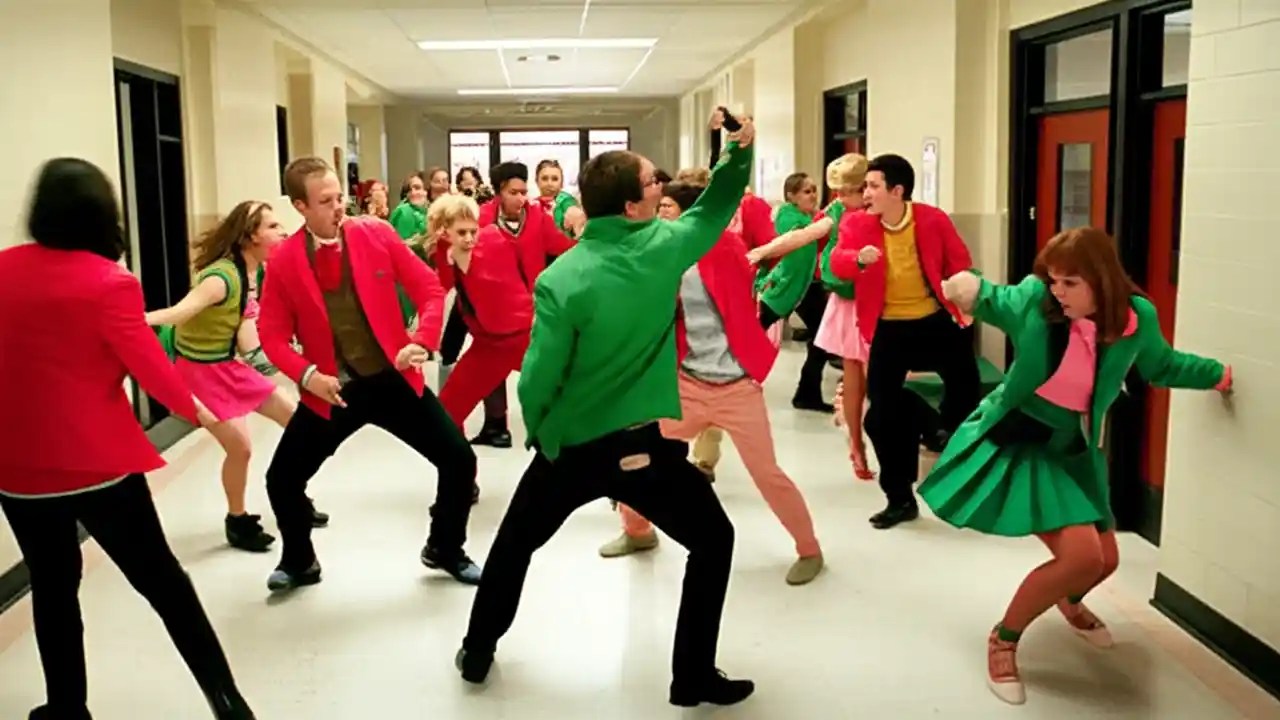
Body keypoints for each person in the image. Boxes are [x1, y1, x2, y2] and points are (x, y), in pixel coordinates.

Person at [457, 123, 759, 708]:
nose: (661, 184)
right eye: (653, 180)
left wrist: (543, 429)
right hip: (642, 448)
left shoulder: (561, 276)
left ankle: (476, 650)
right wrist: (738, 150)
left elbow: (539, 375)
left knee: (515, 543)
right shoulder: (666, 245)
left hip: (570, 448)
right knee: (714, 539)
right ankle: (692, 676)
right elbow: (720, 203)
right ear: (631, 204)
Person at [919, 228, 1233, 705]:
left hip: (1074, 447)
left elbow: (1161, 365)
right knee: (1082, 556)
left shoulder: (1134, 317)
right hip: (1020, 439)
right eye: (1054, 280)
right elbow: (988, 296)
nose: (1057, 291)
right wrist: (963, 285)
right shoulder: (1034, 301)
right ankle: (1003, 639)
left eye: (1070, 283)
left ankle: (1067, 600)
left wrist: (1219, 375)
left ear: (1101, 281)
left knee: (1105, 561)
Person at [0, 158, 256, 719]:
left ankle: (67, 708)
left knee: (52, 585)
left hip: (17, 468)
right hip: (99, 466)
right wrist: (206, 415)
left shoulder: (2, 269)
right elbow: (155, 374)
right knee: (164, 583)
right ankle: (228, 702)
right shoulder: (110, 283)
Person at [256, 156, 480, 592]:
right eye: (325, 201)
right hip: (333, 390)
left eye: (340, 196)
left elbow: (429, 289)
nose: (339, 207)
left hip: (392, 378)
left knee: (459, 459)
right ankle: (300, 561)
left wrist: (422, 339)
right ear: (300, 206)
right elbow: (272, 334)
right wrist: (306, 377)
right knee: (281, 479)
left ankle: (445, 547)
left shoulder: (375, 234)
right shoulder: (284, 261)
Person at [598, 176, 824, 587]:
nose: (660, 213)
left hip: (737, 387)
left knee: (767, 473)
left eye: (667, 207)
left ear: (690, 216)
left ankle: (809, 548)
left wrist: (816, 231)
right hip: (688, 384)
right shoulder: (657, 257)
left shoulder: (724, 248)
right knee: (640, 457)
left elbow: (773, 252)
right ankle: (637, 531)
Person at [146, 201, 328, 552]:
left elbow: (248, 341)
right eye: (273, 226)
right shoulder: (221, 278)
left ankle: (292, 495)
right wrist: (127, 320)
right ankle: (238, 520)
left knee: (298, 422)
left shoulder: (252, 273)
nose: (283, 232)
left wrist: (300, 367)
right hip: (197, 373)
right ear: (251, 236)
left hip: (227, 366)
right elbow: (179, 312)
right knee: (240, 448)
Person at [828, 153, 981, 529]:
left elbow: (960, 262)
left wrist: (962, 290)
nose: (866, 193)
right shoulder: (856, 224)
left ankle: (963, 477)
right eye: (865, 186)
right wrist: (858, 261)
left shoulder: (932, 219)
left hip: (936, 321)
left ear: (898, 191)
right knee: (880, 418)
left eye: (873, 186)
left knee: (967, 394)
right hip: (890, 329)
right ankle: (899, 497)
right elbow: (835, 263)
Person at [430, 193, 534, 502]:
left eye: (472, 230)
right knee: (447, 413)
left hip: (522, 337)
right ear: (444, 231)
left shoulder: (493, 242)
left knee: (572, 400)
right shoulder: (444, 251)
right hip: (489, 345)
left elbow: (499, 293)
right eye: (460, 232)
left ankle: (618, 478)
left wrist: (465, 260)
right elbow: (444, 287)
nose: (469, 238)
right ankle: (462, 480)